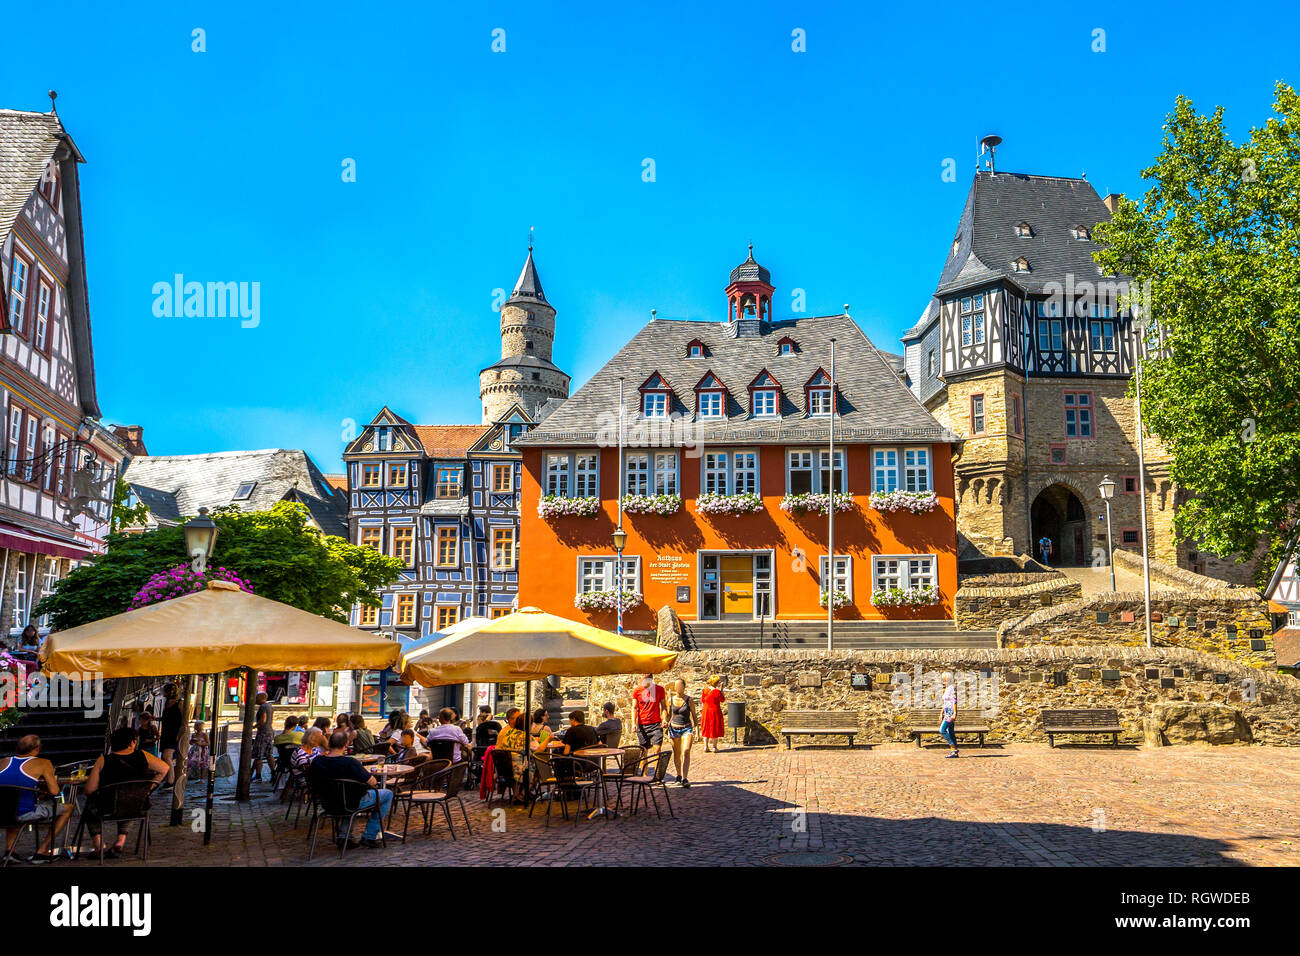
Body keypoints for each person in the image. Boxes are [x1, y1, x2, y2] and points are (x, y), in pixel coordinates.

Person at [81, 727, 169, 859]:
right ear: (132, 742)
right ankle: (120, 841)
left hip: (107, 806)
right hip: (137, 805)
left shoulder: (104, 760)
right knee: (130, 802)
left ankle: (99, 845)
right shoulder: (143, 755)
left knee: (90, 806)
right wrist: (148, 788)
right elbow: (164, 768)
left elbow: (89, 790)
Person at [306, 731, 393, 848]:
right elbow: (372, 782)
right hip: (351, 802)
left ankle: (344, 836)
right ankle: (370, 835)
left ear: (329, 744)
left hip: (327, 802)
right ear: (346, 744)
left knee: (347, 794)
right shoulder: (350, 763)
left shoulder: (317, 762)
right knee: (387, 794)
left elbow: (310, 781)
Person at [0, 735, 75, 862]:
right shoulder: (43, 763)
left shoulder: (3, 761)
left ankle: (10, 851)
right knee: (68, 808)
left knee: (12, 805)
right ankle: (43, 850)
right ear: (37, 748)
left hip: (2, 813)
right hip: (24, 814)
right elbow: (55, 791)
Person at [665, 678, 697, 787]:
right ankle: (678, 775)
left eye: (680, 685)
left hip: (686, 728)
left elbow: (694, 715)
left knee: (686, 751)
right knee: (677, 754)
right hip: (674, 729)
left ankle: (685, 778)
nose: (678, 687)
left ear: (684, 687)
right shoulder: (670, 699)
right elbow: (668, 714)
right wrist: (665, 721)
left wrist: (696, 730)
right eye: (676, 685)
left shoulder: (689, 700)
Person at [630, 673, 667, 756]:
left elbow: (664, 707)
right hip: (642, 725)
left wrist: (664, 719)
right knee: (643, 752)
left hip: (656, 724)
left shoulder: (659, 689)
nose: (642, 682)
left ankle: (656, 769)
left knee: (657, 750)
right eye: (641, 679)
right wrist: (633, 723)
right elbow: (634, 708)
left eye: (645, 679)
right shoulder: (637, 690)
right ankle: (644, 769)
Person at [157, 682, 184, 789]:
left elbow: (182, 720)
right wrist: (155, 718)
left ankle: (171, 781)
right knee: (165, 758)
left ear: (169, 691)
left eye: (164, 690)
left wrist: (179, 734)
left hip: (174, 734)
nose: (162, 692)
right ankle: (168, 779)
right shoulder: (167, 702)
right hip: (166, 733)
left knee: (167, 756)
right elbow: (166, 718)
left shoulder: (179, 703)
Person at [252, 692, 275, 782]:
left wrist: (254, 726)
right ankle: (274, 773)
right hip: (269, 732)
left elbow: (263, 719)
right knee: (269, 754)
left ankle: (258, 776)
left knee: (259, 755)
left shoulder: (263, 707)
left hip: (263, 733)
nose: (255, 700)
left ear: (261, 698)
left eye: (256, 698)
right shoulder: (270, 706)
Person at [701, 676, 726, 752]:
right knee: (714, 728)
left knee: (706, 728)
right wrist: (721, 689)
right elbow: (722, 699)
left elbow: (702, 700)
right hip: (715, 711)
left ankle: (706, 746)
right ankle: (714, 747)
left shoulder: (705, 690)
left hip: (706, 711)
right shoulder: (717, 691)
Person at [939, 672, 959, 758]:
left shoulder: (952, 688)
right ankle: (954, 753)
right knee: (951, 732)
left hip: (950, 713)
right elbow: (945, 702)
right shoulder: (946, 688)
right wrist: (941, 712)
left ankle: (953, 748)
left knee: (942, 730)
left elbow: (954, 702)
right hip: (947, 712)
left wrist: (954, 713)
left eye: (945, 680)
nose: (943, 682)